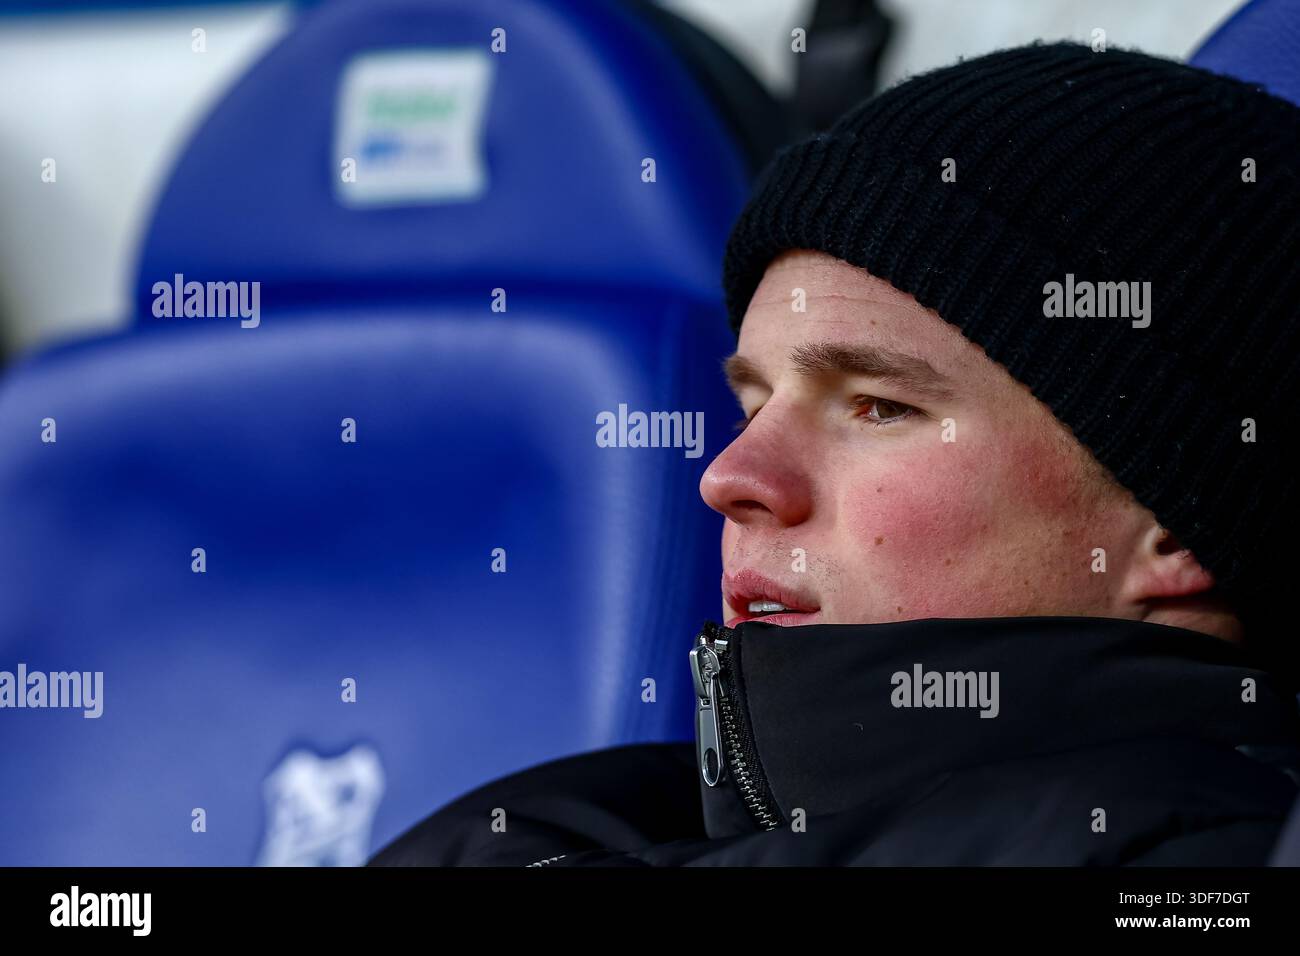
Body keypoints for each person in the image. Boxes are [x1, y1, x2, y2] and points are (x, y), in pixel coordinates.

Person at [370, 42, 1300, 866]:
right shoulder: (574, 824)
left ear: (1176, 527)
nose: (731, 479)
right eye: (753, 403)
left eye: (879, 406)